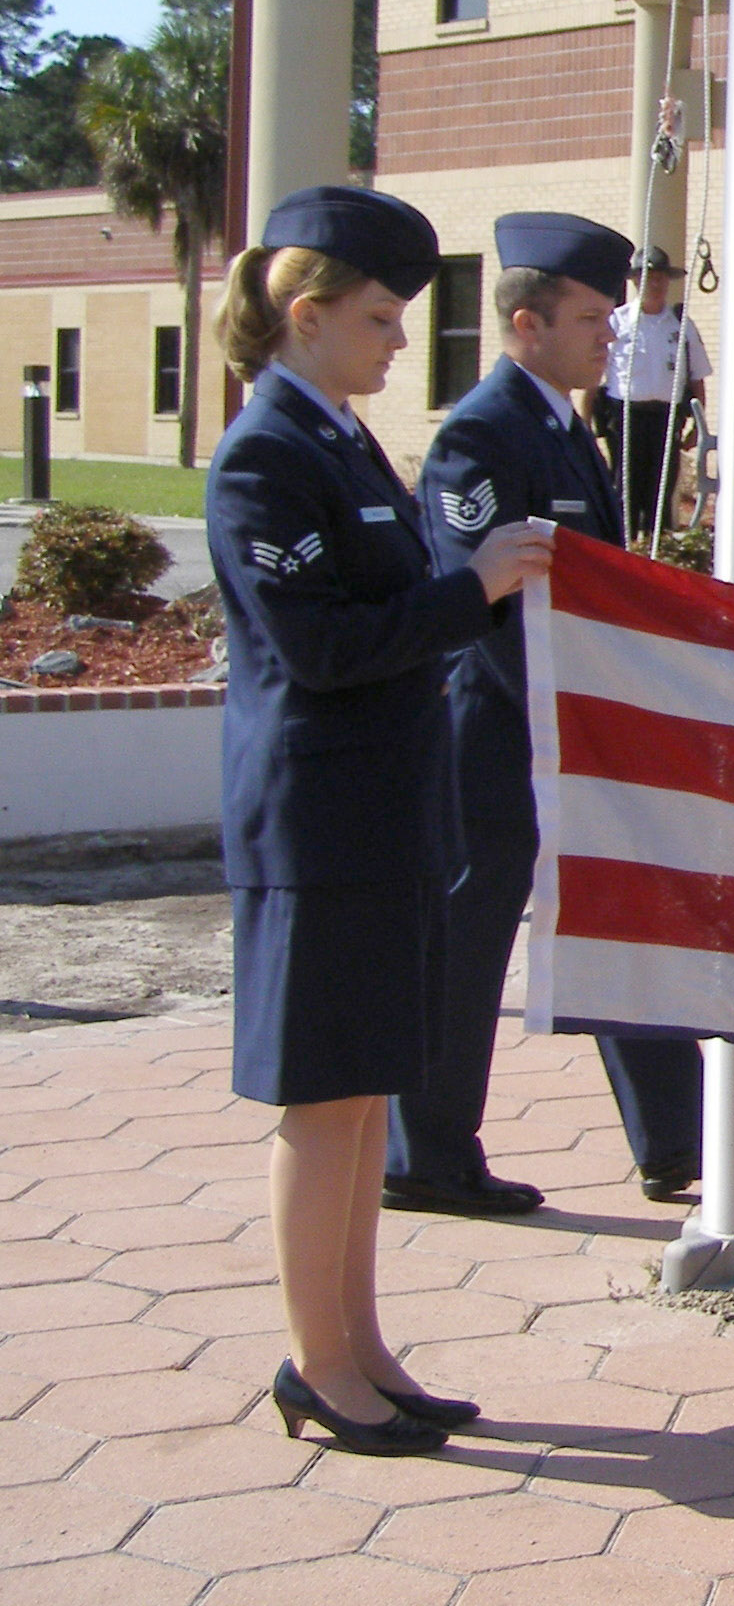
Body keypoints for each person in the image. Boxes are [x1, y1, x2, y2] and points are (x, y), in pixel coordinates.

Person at [208, 183, 552, 1455]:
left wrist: (470, 581)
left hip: (381, 811)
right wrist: (472, 590)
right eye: (377, 316)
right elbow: (316, 647)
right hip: (318, 821)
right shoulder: (266, 456)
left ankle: (360, 1349)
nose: (400, 339)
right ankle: (318, 1363)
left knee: (361, 1094)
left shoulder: (341, 441)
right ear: (304, 318)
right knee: (322, 1100)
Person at [399, 214, 706, 1215]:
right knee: (468, 942)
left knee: (621, 922)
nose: (609, 334)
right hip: (500, 731)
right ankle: (427, 1155)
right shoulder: (483, 436)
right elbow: (479, 606)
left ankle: (680, 1144)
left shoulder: (566, 424)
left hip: (571, 725)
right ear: (526, 322)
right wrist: (567, 716)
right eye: (590, 317)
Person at [599, 244, 709, 540]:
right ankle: (624, 549)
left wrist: (698, 425)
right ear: (635, 281)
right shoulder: (616, 322)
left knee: (660, 489)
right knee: (625, 487)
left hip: (665, 416)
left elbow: (697, 377)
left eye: (661, 277)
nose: (656, 284)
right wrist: (584, 419)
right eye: (648, 277)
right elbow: (596, 376)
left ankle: (656, 552)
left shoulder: (681, 325)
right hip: (624, 415)